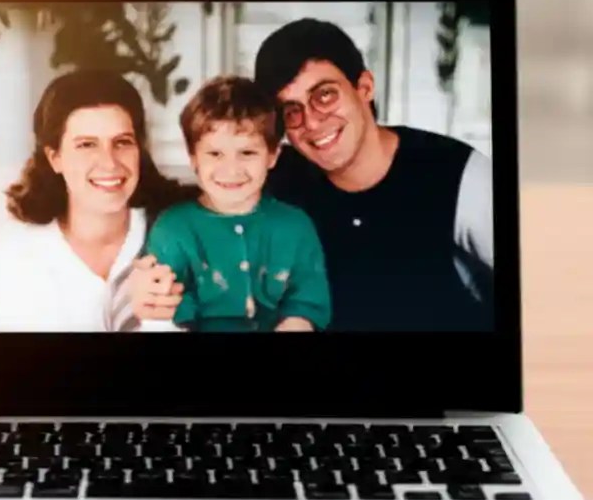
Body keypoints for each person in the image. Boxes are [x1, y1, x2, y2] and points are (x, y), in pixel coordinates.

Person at [130, 17, 493, 332]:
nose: (313, 122)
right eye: (291, 111)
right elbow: (199, 204)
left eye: (325, 95)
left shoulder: (456, 173)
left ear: (364, 87)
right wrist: (151, 282)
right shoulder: (276, 173)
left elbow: (529, 292)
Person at [0, 69, 192, 332]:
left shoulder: (179, 234)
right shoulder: (19, 253)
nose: (109, 162)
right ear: (55, 157)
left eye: (122, 142)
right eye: (87, 145)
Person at [140, 75, 330, 332]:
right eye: (215, 153)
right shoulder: (172, 229)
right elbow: (171, 316)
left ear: (273, 156)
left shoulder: (296, 226)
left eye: (247, 153)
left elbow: (306, 303)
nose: (231, 169)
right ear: (193, 158)